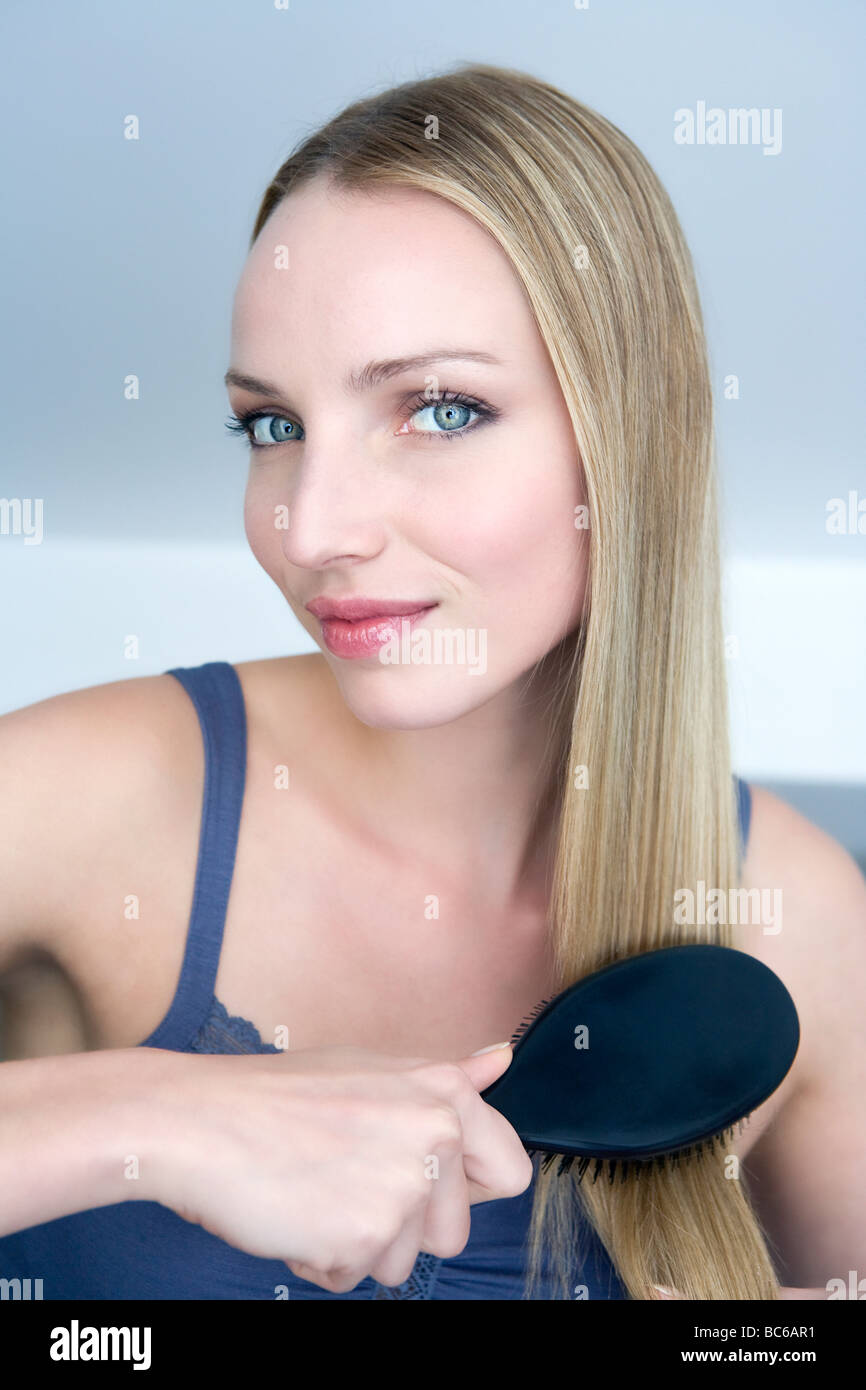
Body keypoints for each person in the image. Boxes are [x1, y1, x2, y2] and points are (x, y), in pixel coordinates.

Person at [0, 63, 864, 1301]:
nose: (311, 527)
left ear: (625, 442)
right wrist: (155, 1111)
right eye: (271, 425)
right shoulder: (87, 793)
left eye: (439, 409)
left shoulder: (794, 916)